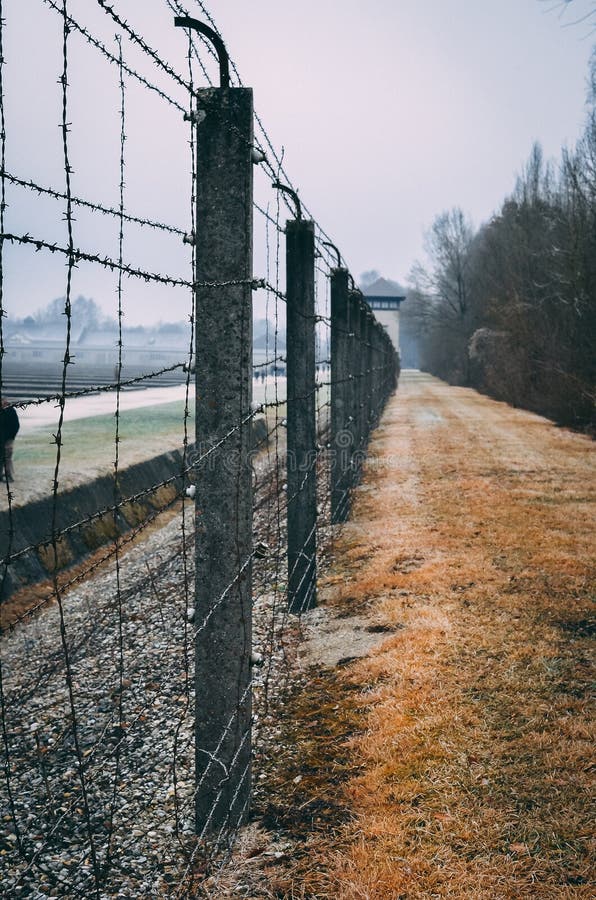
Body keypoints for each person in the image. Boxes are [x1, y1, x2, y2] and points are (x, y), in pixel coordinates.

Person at [0, 399, 19, 483]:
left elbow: (15, 425)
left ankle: (9, 475)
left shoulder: (10, 410)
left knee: (7, 457)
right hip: (4, 437)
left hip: (8, 438)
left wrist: (10, 437)